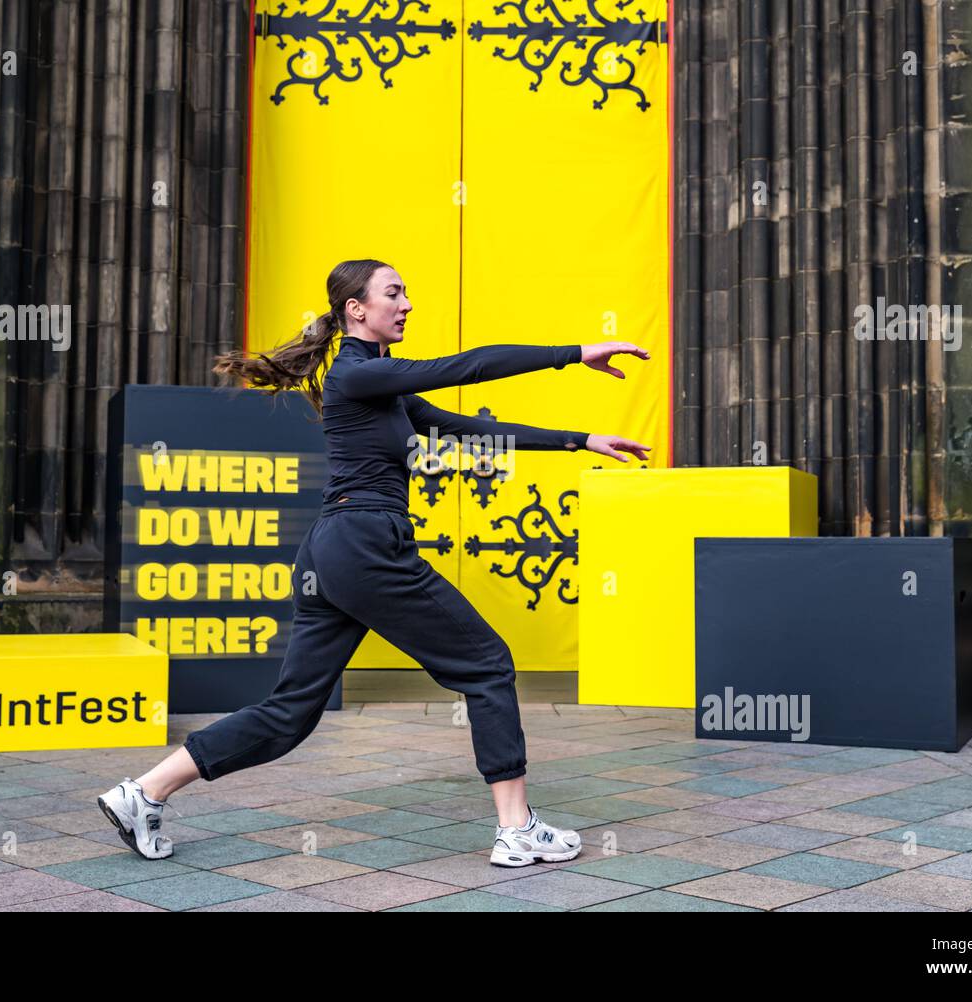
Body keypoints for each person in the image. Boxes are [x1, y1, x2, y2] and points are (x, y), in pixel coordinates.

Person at [99, 259, 650, 867]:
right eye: (395, 293)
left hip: (334, 550)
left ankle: (143, 792)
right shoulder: (358, 374)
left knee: (290, 713)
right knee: (488, 664)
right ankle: (516, 827)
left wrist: (582, 440)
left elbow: (465, 430)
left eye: (407, 291)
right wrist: (573, 352)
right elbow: (467, 366)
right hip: (365, 544)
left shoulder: (381, 388)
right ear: (356, 310)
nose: (408, 303)